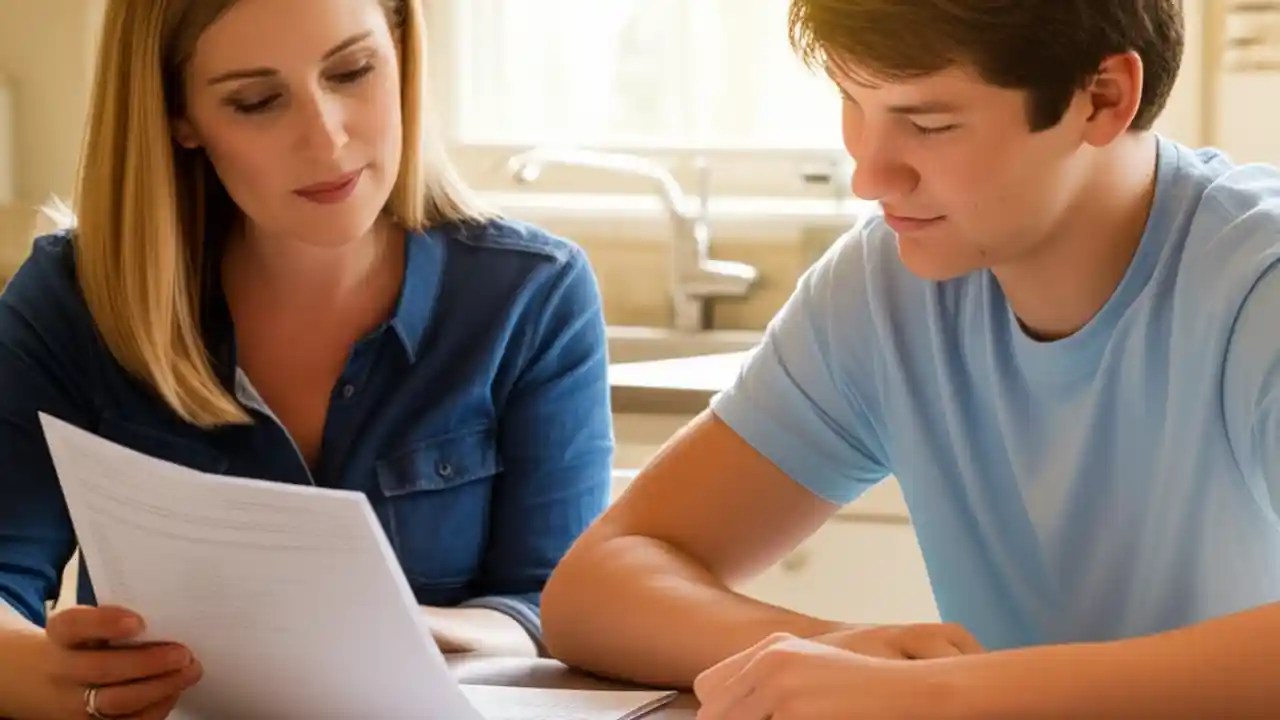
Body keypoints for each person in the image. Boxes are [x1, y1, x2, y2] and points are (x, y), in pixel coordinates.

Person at [542, 1, 1280, 717]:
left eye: (930, 124)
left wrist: (944, 695)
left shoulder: (1258, 283)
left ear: (1101, 98)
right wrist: (843, 660)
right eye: (852, 101)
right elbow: (598, 587)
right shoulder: (884, 287)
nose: (871, 176)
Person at [0, 0, 614, 717]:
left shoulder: (532, 295)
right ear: (179, 118)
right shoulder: (76, 296)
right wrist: (40, 671)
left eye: (353, 71)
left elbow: (552, 610)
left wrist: (400, 632)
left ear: (403, 55)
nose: (326, 139)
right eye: (257, 102)